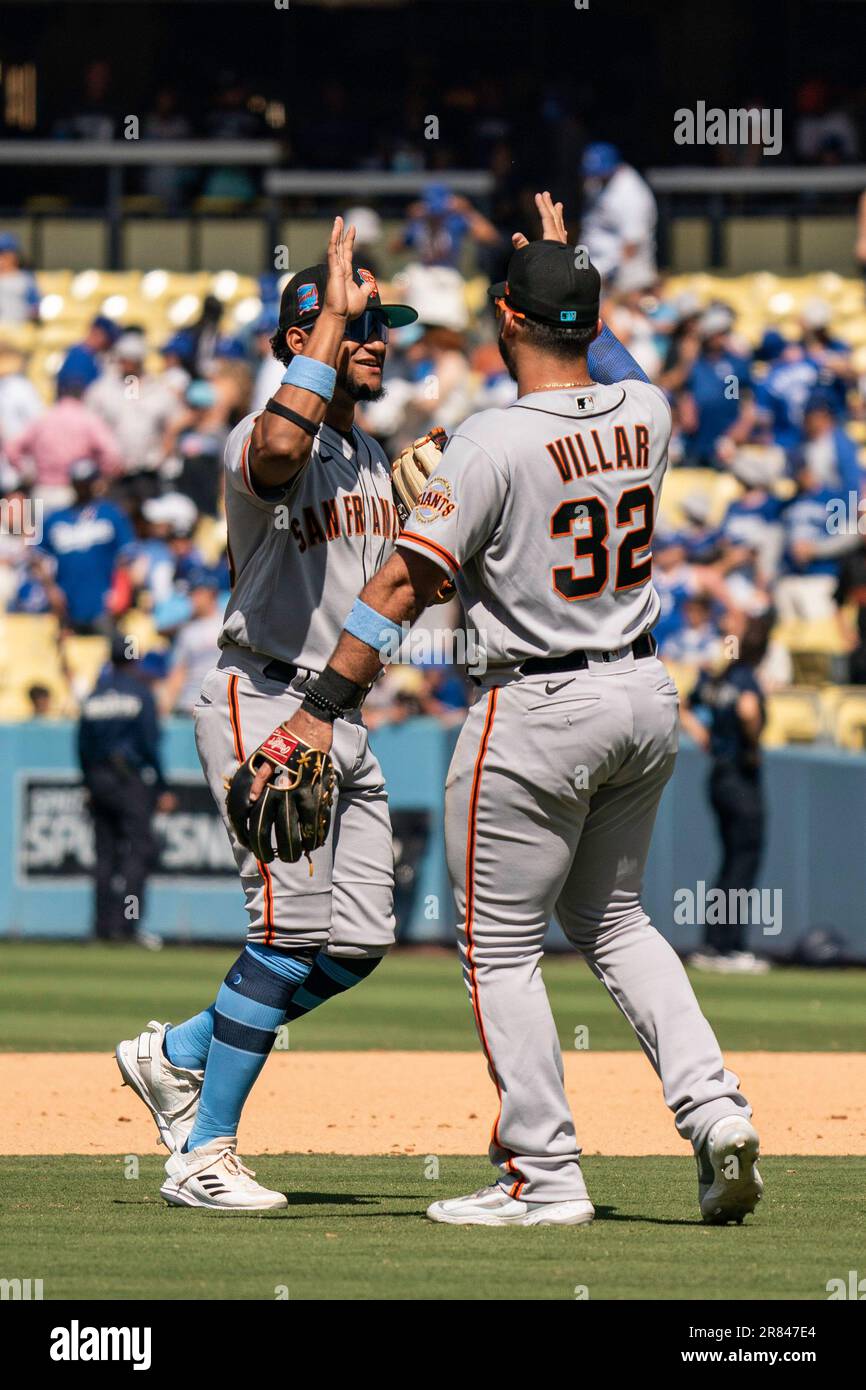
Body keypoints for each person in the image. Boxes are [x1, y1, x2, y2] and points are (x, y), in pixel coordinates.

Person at [241, 193, 763, 1228]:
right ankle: (714, 1113)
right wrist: (559, 273)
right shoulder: (647, 412)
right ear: (589, 318)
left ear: (505, 318)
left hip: (534, 703)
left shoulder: (484, 445)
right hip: (641, 691)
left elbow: (397, 591)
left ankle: (544, 1175)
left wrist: (315, 712)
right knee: (615, 921)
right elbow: (597, 366)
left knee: (499, 951)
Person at [114, 220, 421, 1209]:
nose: (377, 341)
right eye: (359, 326)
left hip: (339, 711)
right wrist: (326, 322)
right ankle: (203, 1154)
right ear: (306, 336)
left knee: (355, 939)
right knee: (286, 934)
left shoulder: (371, 452)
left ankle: (176, 1054)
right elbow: (286, 443)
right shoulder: (262, 431)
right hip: (267, 696)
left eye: (380, 327)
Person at [680, 615, 771, 976]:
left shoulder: (716, 677)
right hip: (741, 775)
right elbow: (749, 710)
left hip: (718, 774)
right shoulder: (744, 677)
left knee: (731, 860)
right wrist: (753, 739)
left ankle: (714, 943)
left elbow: (684, 704)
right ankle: (726, 946)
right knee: (742, 860)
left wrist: (704, 736)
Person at [78, 636, 176, 943]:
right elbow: (150, 744)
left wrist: (88, 783)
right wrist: (161, 785)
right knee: (135, 853)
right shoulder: (140, 694)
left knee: (105, 855)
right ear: (134, 661)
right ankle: (127, 924)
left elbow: (82, 746)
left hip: (99, 780)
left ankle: (101, 926)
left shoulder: (94, 696)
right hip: (130, 780)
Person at [86, 332, 182, 506]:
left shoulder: (159, 390)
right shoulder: (102, 390)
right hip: (114, 475)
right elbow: (90, 429)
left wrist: (163, 455)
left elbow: (173, 425)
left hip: (148, 472)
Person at [38, 459, 134, 634]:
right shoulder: (56, 518)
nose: (82, 488)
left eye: (86, 483)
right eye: (79, 483)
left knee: (117, 651)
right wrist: (51, 589)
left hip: (105, 603)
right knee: (67, 656)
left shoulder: (111, 514)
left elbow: (127, 556)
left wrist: (121, 591)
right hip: (67, 605)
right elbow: (38, 558)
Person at [6, 368, 122, 512]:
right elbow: (112, 453)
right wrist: (101, 478)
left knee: (41, 533)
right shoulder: (88, 419)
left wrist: (27, 473)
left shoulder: (44, 418)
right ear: (82, 393)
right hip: (76, 491)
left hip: (43, 491)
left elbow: (11, 448)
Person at [579, 143, 657, 288]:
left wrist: (605, 276)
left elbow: (631, 245)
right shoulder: (595, 183)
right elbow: (589, 229)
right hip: (592, 264)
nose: (593, 177)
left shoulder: (632, 194)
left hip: (622, 275)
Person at [159, 568, 223, 715]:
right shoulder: (187, 630)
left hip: (218, 708)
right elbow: (179, 672)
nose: (192, 598)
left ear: (211, 593)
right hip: (188, 706)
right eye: (191, 593)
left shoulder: (227, 624)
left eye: (197, 592)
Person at [0, 233, 39, 325]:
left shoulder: (25, 279)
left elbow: (35, 306)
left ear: (13, 256)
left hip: (18, 330)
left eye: (3, 255)